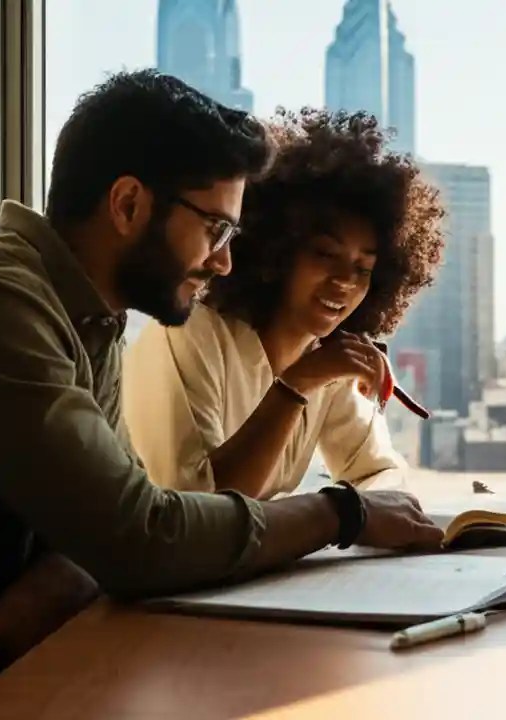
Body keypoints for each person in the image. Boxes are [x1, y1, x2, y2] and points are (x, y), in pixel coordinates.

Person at [0, 70, 443, 716]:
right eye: (215, 231)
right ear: (129, 205)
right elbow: (145, 535)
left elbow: (113, 517)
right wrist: (344, 513)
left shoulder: (90, 318)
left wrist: (71, 561)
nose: (225, 260)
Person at [123, 107, 444, 499]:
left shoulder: (325, 359)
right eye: (325, 255)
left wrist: (351, 512)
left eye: (363, 269)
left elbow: (383, 476)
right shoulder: (190, 334)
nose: (344, 280)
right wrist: (300, 383)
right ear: (277, 249)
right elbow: (203, 510)